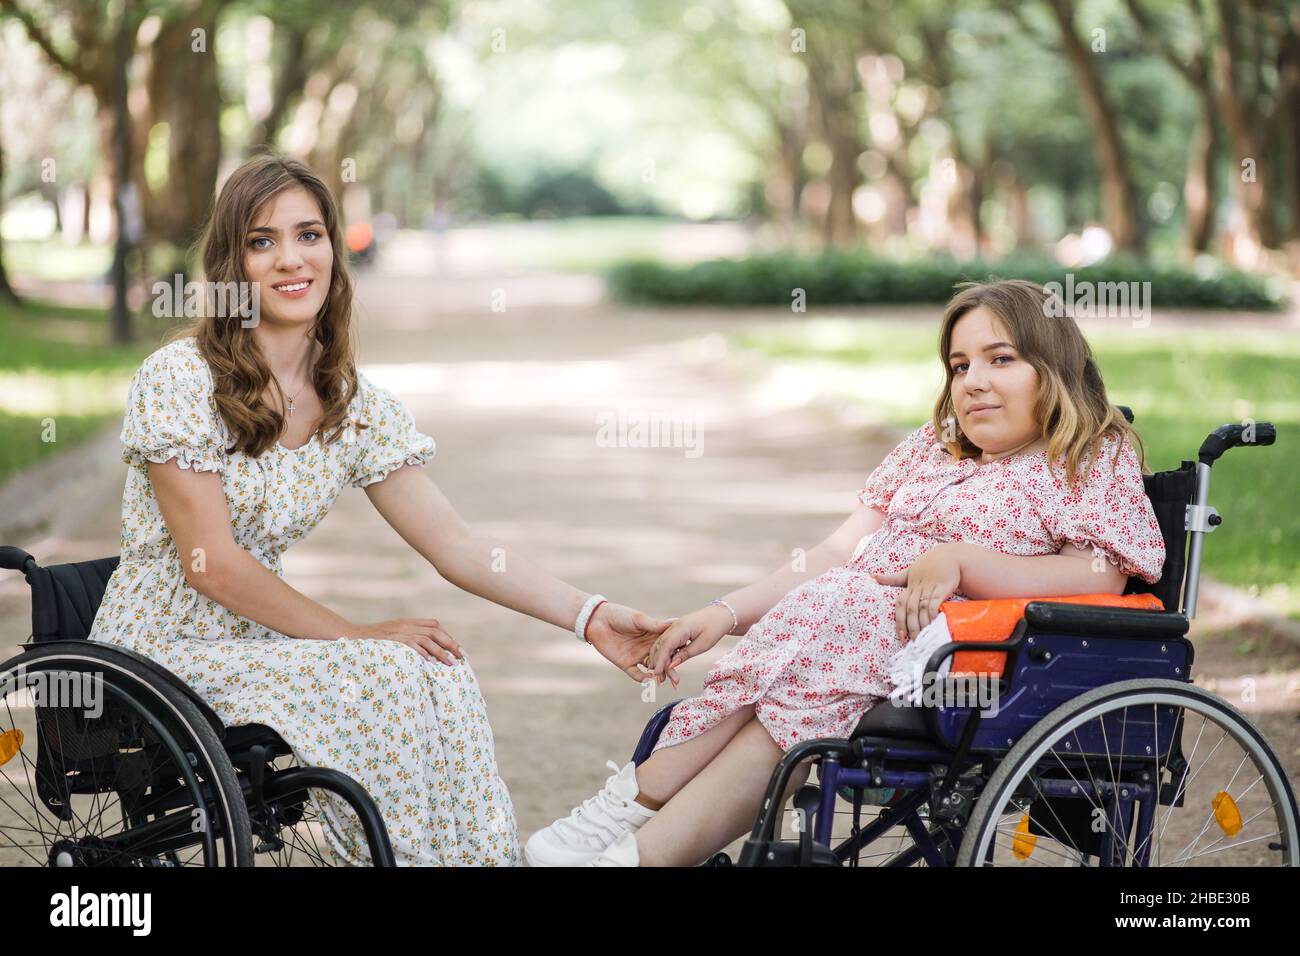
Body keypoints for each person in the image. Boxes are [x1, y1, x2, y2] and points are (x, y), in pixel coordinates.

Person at [88, 155, 669, 866]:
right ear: (231, 264)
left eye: (309, 235)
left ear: (336, 245)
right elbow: (212, 567)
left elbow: (454, 543)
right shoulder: (180, 380)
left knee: (437, 666)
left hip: (261, 648)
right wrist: (354, 635)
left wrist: (590, 616)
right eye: (262, 241)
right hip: (164, 650)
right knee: (385, 668)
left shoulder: (351, 403)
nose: (291, 259)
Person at [524, 278, 1166, 866]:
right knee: (804, 663)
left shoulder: (1085, 455)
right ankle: (632, 842)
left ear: (1053, 369)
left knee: (822, 647)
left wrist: (962, 560)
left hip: (968, 658)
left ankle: (632, 827)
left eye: (1001, 359)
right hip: (844, 635)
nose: (971, 380)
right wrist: (721, 615)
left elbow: (1099, 576)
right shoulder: (932, 448)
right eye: (959, 365)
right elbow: (834, 555)